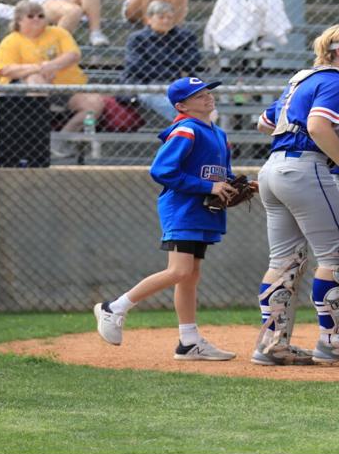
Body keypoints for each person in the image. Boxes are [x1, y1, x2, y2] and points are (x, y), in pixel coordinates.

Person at [92, 76, 247, 360]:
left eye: (207, 92)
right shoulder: (186, 130)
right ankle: (114, 307)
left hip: (203, 210)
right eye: (198, 95)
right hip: (183, 208)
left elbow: (218, 173)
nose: (207, 97)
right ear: (181, 106)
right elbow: (162, 171)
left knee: (191, 275)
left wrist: (239, 183)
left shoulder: (218, 133)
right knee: (179, 271)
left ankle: (189, 342)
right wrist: (209, 186)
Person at [252, 22, 339, 366]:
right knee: (338, 258)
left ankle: (271, 345)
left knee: (284, 261)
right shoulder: (336, 81)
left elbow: (265, 122)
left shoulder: (302, 79)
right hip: (306, 169)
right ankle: (334, 342)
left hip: (273, 168)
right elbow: (318, 126)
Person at [0, 0, 110, 160]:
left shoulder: (58, 33)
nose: (37, 19)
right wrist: (38, 68)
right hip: (25, 91)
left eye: (41, 16)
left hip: (66, 87)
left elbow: (73, 54)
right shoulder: (12, 40)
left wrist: (52, 66)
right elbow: (3, 69)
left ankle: (60, 140)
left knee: (93, 104)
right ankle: (35, 139)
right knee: (35, 79)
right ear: (19, 20)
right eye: (30, 16)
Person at [122, 0, 201, 122]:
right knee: (151, 95)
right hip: (146, 84)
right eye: (161, 17)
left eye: (169, 17)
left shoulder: (185, 37)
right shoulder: (137, 39)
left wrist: (156, 61)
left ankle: (192, 124)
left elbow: (193, 60)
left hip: (177, 84)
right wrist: (175, 66)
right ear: (149, 19)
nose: (166, 21)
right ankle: (189, 121)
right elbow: (137, 66)